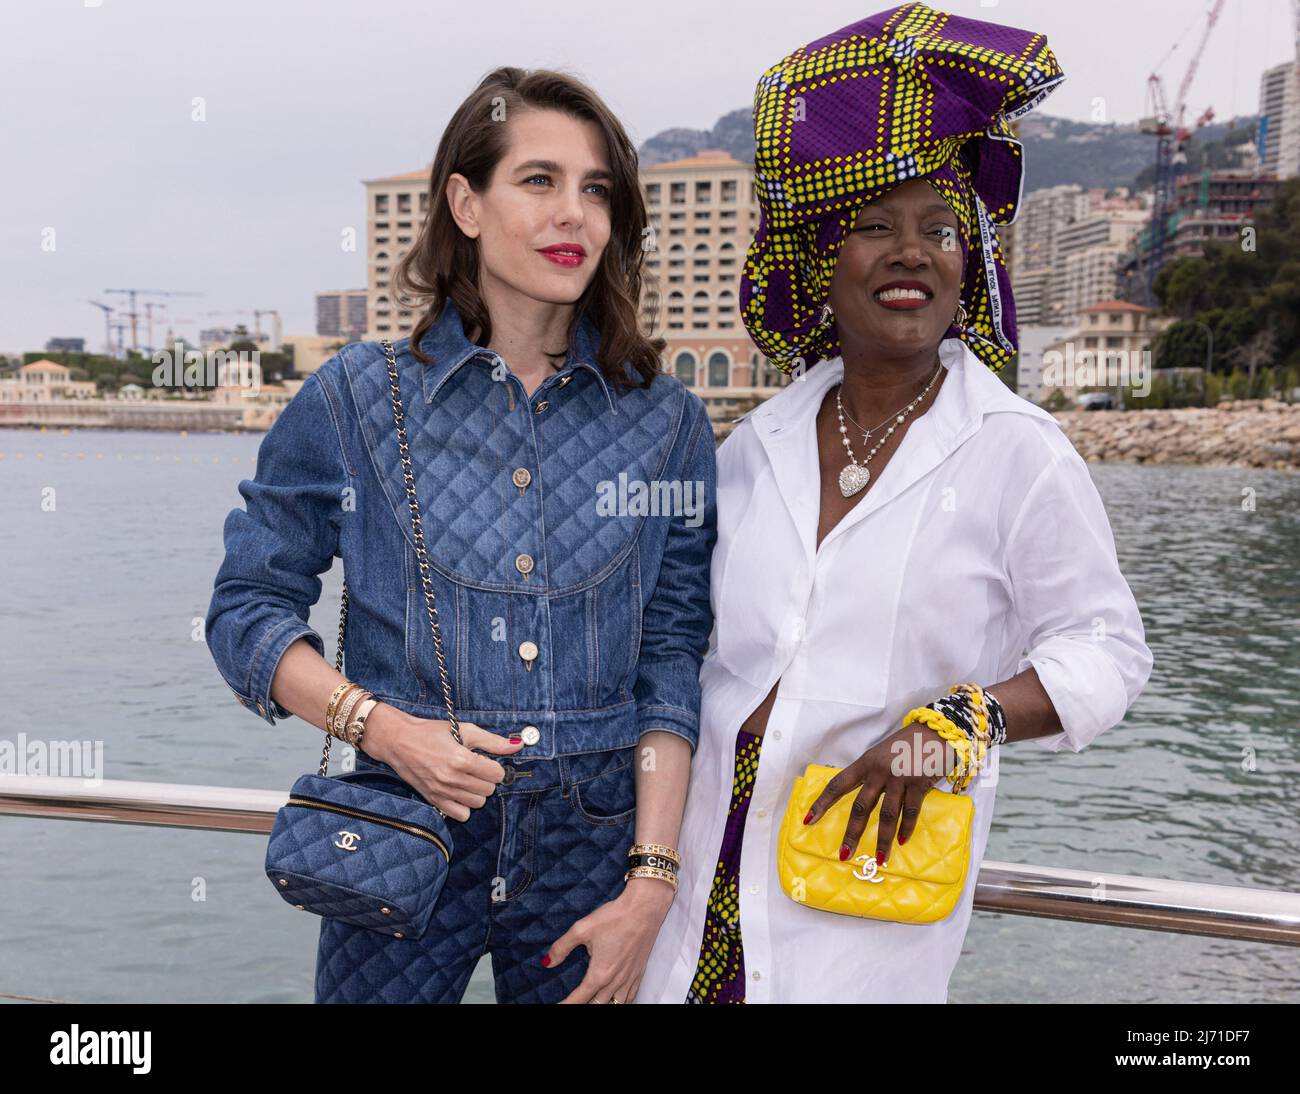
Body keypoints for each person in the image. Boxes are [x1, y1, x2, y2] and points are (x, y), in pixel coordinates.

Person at [637, 3, 1154, 1004]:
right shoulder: (754, 449)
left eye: (939, 230)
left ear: (970, 264)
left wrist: (954, 722)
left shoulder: (1015, 452)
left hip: (861, 923)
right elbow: (687, 650)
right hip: (696, 913)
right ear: (823, 263)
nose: (911, 252)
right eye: (874, 227)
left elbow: (1107, 647)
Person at [205, 66, 716, 1004]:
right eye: (539, 180)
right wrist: (384, 729)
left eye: (597, 191)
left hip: (590, 848)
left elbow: (672, 658)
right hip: (402, 822)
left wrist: (652, 883)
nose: (575, 215)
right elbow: (246, 610)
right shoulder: (357, 399)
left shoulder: (668, 424)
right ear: (465, 204)